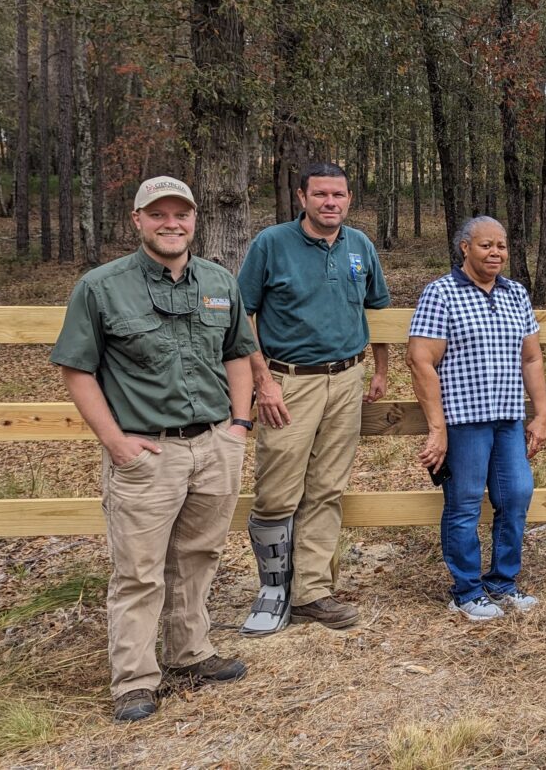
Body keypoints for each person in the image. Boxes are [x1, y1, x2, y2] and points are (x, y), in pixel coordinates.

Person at [50, 177, 258, 723]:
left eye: (180, 214)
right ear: (137, 220)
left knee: (199, 557)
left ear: (194, 220)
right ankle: (136, 679)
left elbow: (237, 353)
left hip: (214, 445)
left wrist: (238, 426)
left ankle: (191, 653)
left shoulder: (218, 281)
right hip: (148, 456)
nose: (171, 224)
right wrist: (116, 443)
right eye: (158, 214)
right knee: (139, 572)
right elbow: (76, 369)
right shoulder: (101, 287)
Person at [236, 162, 391, 636]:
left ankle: (311, 593)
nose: (330, 202)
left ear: (349, 199)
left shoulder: (359, 245)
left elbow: (377, 310)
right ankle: (273, 591)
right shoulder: (272, 244)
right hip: (289, 382)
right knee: (277, 489)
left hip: (346, 379)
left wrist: (381, 369)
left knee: (327, 488)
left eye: (338, 195)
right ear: (302, 197)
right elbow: (242, 313)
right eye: (321, 194)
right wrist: (263, 380)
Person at [407, 217, 546, 622]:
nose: (495, 253)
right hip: (464, 420)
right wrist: (437, 428)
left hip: (508, 417)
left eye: (501, 246)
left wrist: (541, 413)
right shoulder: (441, 293)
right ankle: (466, 590)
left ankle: (502, 582)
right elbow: (420, 359)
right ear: (465, 248)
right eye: (486, 245)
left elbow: (531, 357)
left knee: (517, 495)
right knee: (465, 503)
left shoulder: (515, 293)